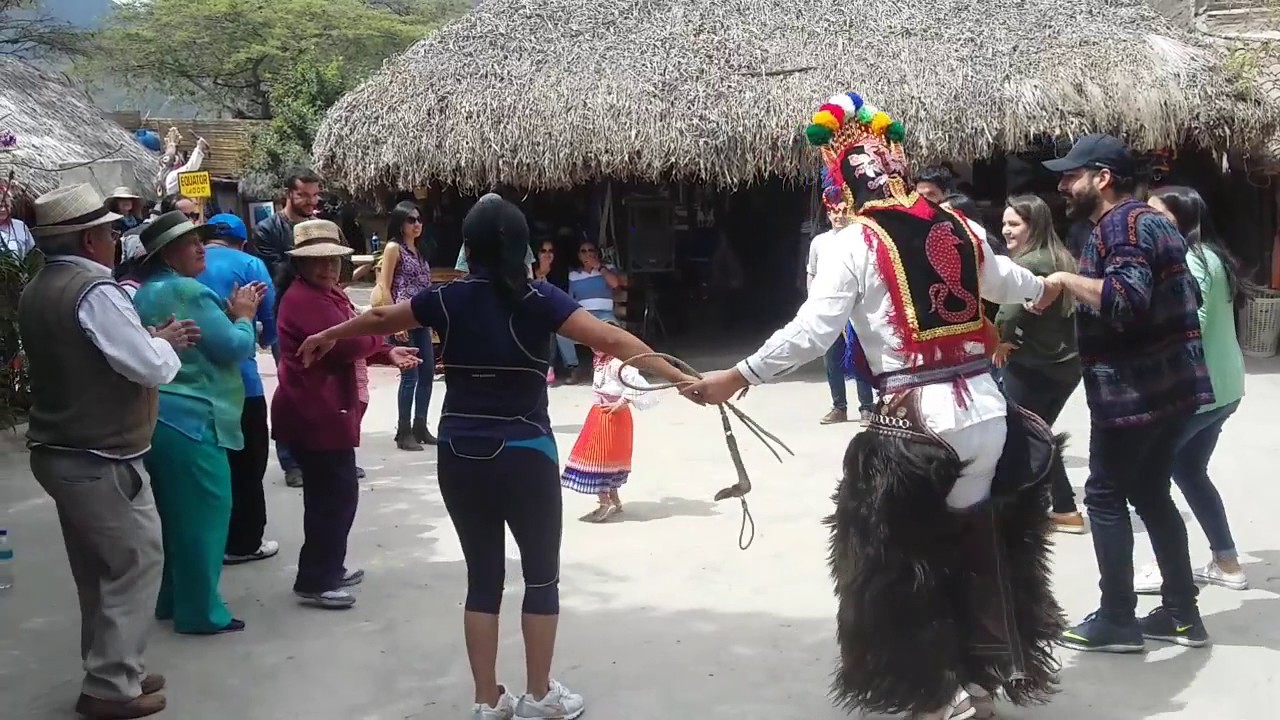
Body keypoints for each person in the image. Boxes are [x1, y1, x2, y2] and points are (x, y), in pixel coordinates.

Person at [681, 92, 1064, 720]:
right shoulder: (961, 227)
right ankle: (982, 684)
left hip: (916, 422)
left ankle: (930, 695)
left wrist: (740, 374)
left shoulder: (852, 243)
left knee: (903, 562)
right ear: (899, 171)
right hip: (987, 413)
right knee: (974, 546)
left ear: (843, 187)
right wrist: (1044, 287)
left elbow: (815, 331)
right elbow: (1010, 281)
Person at [296, 194, 693, 720]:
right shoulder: (539, 298)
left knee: (482, 581)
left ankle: (487, 700)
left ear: (470, 248)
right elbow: (613, 338)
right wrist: (685, 380)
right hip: (525, 452)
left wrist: (329, 333)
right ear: (521, 247)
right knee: (541, 577)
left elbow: (383, 316)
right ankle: (540, 695)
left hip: (459, 453)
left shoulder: (448, 299)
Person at [19, 184, 200, 719]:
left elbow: (96, 352)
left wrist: (148, 339)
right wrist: (163, 343)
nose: (115, 240)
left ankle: (115, 668)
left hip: (60, 450)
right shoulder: (95, 290)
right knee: (134, 563)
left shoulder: (39, 288)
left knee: (98, 570)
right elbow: (150, 367)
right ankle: (110, 685)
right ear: (91, 239)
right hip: (99, 455)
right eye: (110, 232)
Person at [1039, 134, 1215, 652]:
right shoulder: (1155, 222)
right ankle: (1182, 615)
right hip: (1171, 390)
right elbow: (1185, 291)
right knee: (1152, 493)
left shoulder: (1122, 225)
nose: (1063, 186)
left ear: (1103, 178)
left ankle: (1118, 618)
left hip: (1133, 395)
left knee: (1104, 496)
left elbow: (1124, 299)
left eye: (1072, 176)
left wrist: (1065, 279)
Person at [271, 220, 420, 609]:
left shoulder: (326, 294)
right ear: (299, 263)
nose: (328, 267)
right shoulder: (304, 300)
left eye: (334, 259)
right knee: (331, 499)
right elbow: (346, 343)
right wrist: (377, 336)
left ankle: (327, 569)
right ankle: (316, 580)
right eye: (318, 260)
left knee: (335, 495)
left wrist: (385, 350)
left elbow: (353, 335)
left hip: (327, 410)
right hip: (314, 413)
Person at [132, 211, 265, 636]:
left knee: (178, 518)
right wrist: (243, 315)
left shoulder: (144, 293)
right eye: (190, 242)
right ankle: (201, 612)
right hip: (195, 419)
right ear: (168, 254)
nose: (200, 248)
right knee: (207, 517)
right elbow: (233, 347)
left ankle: (174, 599)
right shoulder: (188, 290)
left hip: (159, 417)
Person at [1133, 186, 1249, 592]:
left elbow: (1190, 321)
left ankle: (1169, 567)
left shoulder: (1188, 258)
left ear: (1179, 220)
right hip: (1225, 389)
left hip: (1198, 394)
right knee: (1189, 471)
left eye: (1156, 214)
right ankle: (1227, 562)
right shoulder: (1213, 255)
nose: (1145, 221)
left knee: (1149, 480)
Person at [993, 195, 1084, 533]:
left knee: (1022, 435)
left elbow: (1008, 313)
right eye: (1005, 223)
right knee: (1037, 433)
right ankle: (1063, 509)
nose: (1006, 230)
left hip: (1033, 366)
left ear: (1034, 226)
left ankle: (1040, 509)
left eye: (1014, 224)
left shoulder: (1029, 263)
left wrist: (1000, 341)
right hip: (1066, 367)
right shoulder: (1062, 257)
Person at [195, 213, 281, 565]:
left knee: (211, 467)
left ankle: (212, 539)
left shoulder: (188, 264)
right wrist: (265, 336)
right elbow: (270, 321)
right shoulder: (250, 265)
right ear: (243, 242)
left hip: (195, 384)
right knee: (248, 463)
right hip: (242, 383)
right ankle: (244, 542)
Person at [251, 170, 322, 488]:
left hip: (319, 314)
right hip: (283, 317)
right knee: (291, 389)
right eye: (303, 194)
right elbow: (277, 273)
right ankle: (291, 462)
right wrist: (310, 262)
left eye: (315, 195)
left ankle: (324, 456)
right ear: (288, 194)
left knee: (322, 387)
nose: (310, 201)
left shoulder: (318, 227)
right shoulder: (267, 229)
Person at [561, 337, 660, 522]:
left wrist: (621, 402)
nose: (595, 347)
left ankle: (605, 502)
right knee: (606, 459)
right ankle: (613, 500)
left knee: (600, 459)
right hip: (599, 413)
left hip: (611, 415)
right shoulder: (600, 361)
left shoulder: (617, 363)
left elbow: (636, 383)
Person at [378, 200, 438, 450]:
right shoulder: (394, 248)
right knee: (410, 375)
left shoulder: (420, 251)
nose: (416, 224)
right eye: (411, 220)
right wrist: (394, 321)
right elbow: (385, 285)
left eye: (419, 220)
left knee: (427, 373)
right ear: (400, 223)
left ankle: (420, 425)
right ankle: (404, 430)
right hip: (403, 316)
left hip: (422, 318)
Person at [808, 215, 876, 424]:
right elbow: (812, 273)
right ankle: (839, 407)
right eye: (834, 211)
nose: (839, 216)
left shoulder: (861, 240)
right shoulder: (819, 242)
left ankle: (867, 408)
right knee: (832, 360)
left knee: (858, 357)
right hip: (828, 308)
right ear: (828, 214)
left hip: (855, 309)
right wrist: (812, 304)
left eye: (844, 210)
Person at [532, 238, 579, 383]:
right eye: (543, 251)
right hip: (533, 310)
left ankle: (563, 367)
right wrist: (541, 273)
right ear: (537, 254)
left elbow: (562, 296)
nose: (547, 254)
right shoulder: (529, 271)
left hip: (554, 310)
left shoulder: (560, 272)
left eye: (550, 251)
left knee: (556, 327)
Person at [0, 187, 35, 259]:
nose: (3, 209)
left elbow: (31, 253)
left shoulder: (20, 226)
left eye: (6, 206)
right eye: (0, 206)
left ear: (11, 206)